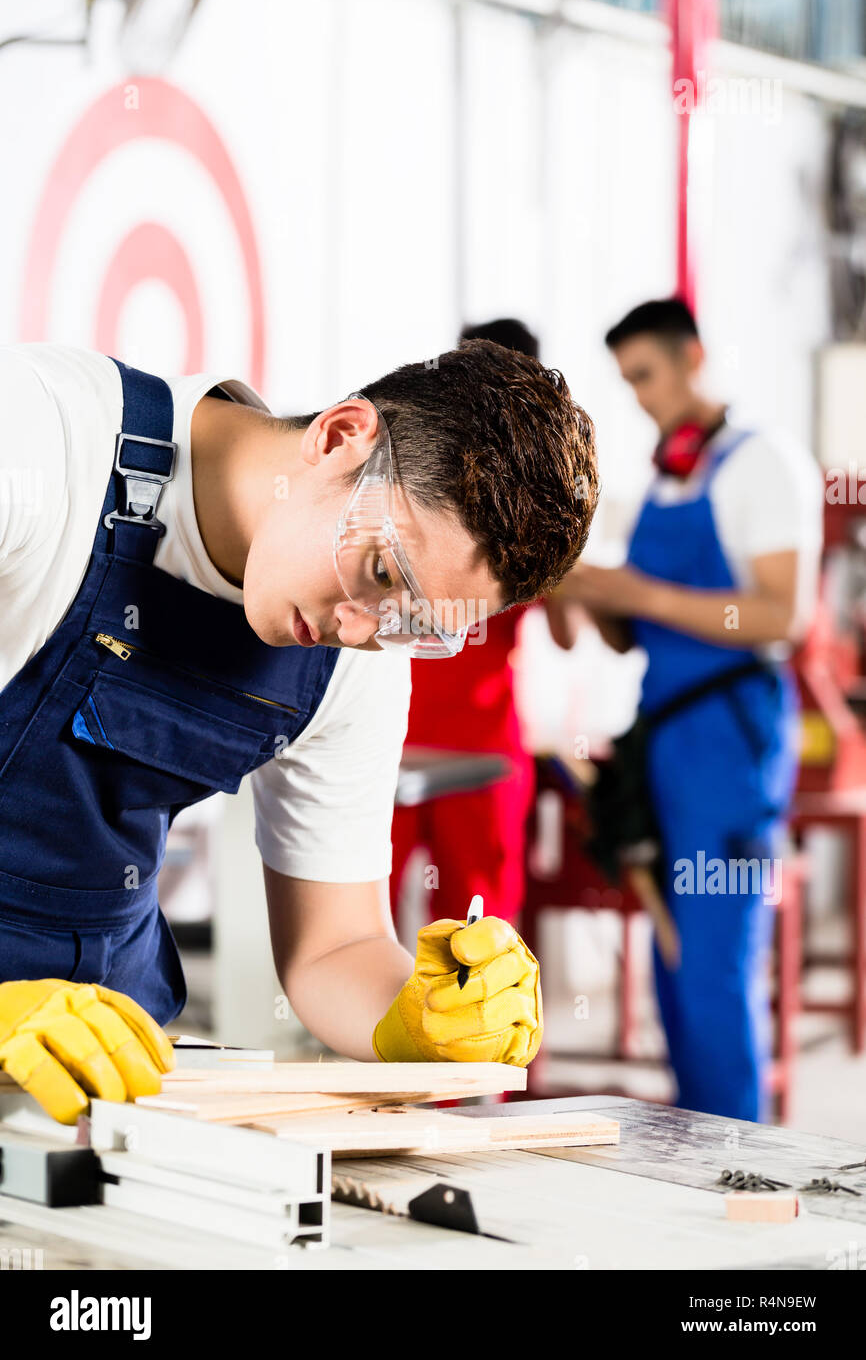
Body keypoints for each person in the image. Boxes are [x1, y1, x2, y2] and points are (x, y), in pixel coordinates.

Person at [0, 338, 598, 1122]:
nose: (361, 629)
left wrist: (414, 1019)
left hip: (107, 1068)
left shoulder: (360, 657)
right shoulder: (34, 446)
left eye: (416, 622)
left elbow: (333, 948)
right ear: (341, 436)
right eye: (384, 572)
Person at [559, 298, 823, 1121]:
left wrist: (639, 591)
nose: (638, 397)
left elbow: (780, 616)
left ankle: (739, 1171)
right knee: (676, 969)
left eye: (646, 375)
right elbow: (629, 638)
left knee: (714, 965)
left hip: (731, 745)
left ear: (693, 358)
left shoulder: (764, 464)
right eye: (625, 381)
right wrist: (583, 587)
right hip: (665, 741)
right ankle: (688, 1163)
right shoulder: (668, 480)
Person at [390, 318, 568, 934]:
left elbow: (568, 633)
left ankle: (489, 1037)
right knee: (358, 922)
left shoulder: (543, 502)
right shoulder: (417, 468)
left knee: (478, 940)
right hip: (394, 739)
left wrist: (562, 552)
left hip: (482, 751)